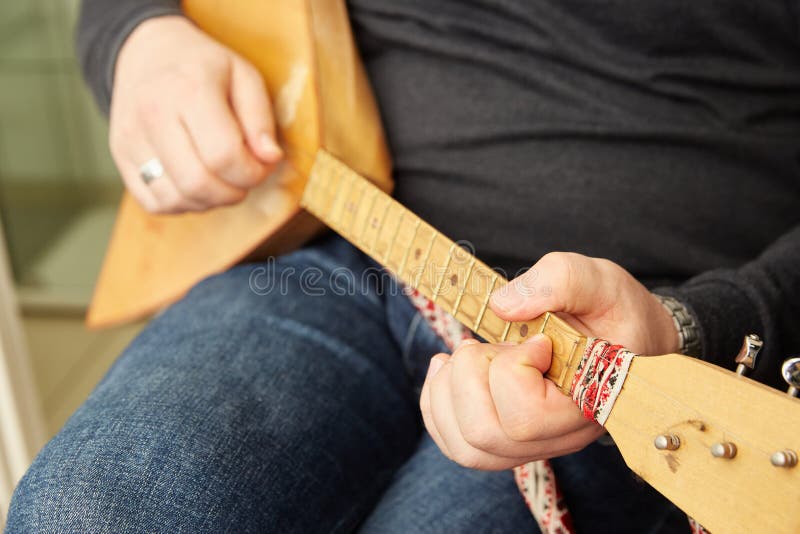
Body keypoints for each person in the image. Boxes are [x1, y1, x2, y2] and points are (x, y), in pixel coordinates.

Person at [6, 1, 800, 532]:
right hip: (319, 250)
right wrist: (139, 37)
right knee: (84, 513)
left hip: (627, 339)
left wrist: (703, 322)